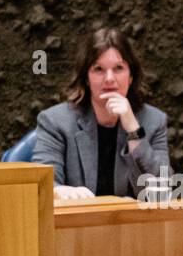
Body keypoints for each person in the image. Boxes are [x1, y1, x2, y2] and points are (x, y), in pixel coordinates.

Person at [33, 27, 169, 200]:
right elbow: (43, 184)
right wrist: (60, 192)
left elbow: (162, 190)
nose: (109, 78)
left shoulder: (154, 121)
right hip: (77, 216)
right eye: (99, 69)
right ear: (86, 78)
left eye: (118, 68)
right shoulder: (55, 122)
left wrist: (133, 130)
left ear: (131, 77)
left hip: (128, 218)